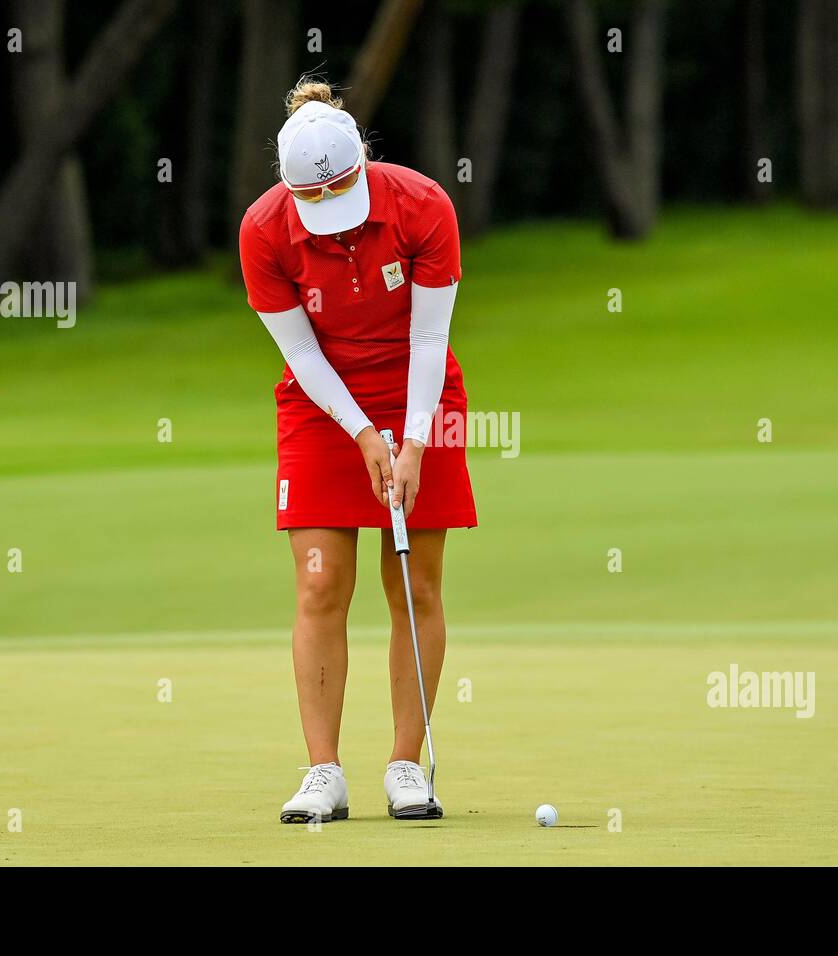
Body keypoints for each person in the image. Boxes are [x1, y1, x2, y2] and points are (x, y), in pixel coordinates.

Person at [238, 79, 476, 823]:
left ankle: (407, 766)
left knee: (418, 584)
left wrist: (409, 441)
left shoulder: (423, 204)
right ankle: (324, 774)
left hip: (421, 391)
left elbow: (430, 338)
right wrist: (365, 435)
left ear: (364, 164)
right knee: (319, 583)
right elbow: (304, 358)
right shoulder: (264, 229)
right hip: (321, 408)